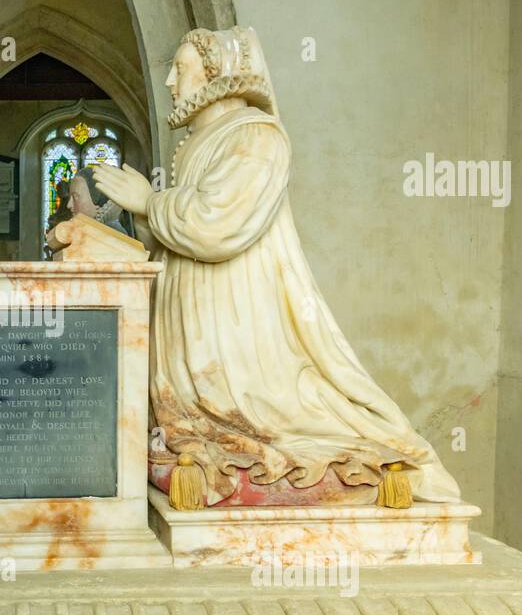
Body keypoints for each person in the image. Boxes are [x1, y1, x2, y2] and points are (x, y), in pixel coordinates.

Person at [93, 26, 460, 506]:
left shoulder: (256, 136)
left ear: (216, 73)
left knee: (269, 416)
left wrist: (151, 201)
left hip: (238, 318)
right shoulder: (204, 140)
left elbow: (217, 225)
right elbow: (180, 231)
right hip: (196, 307)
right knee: (205, 420)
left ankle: (385, 458)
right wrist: (145, 213)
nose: (169, 84)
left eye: (180, 69)